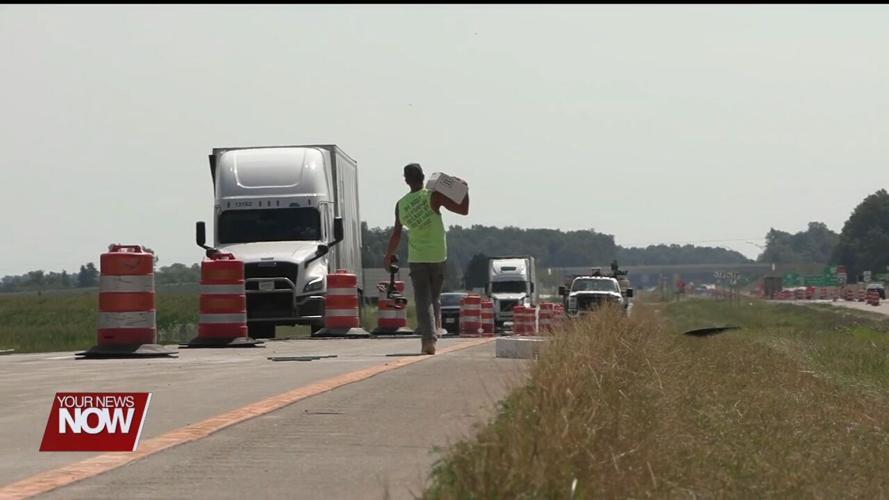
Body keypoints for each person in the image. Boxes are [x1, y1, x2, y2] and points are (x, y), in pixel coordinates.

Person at [384, 164, 469, 354]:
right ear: (423, 177)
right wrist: (465, 189)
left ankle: (428, 340)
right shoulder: (433, 196)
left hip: (417, 257)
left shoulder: (401, 205)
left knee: (423, 299)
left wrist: (388, 255)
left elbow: (396, 234)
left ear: (406, 180)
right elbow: (464, 210)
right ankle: (433, 333)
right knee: (433, 297)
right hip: (438, 255)